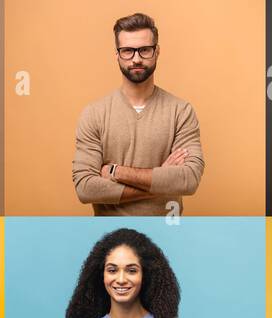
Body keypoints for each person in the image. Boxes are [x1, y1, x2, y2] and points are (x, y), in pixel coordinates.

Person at [71, 13, 204, 216]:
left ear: (157, 51)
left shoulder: (181, 111)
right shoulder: (94, 114)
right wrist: (160, 181)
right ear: (117, 54)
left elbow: (189, 180)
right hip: (112, 235)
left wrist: (116, 171)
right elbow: (85, 188)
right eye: (127, 51)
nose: (136, 59)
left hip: (168, 230)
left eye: (144, 50)